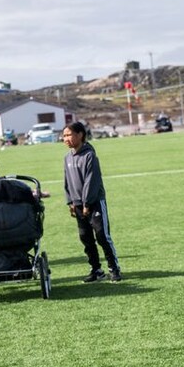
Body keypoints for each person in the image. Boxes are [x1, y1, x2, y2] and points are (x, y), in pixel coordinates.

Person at [62, 121, 122, 282]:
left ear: (80, 135)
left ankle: (114, 268)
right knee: (86, 238)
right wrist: (70, 202)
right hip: (78, 205)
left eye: (68, 135)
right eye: (64, 136)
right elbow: (67, 182)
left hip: (94, 202)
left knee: (102, 236)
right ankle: (96, 270)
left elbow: (91, 181)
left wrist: (87, 203)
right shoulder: (67, 158)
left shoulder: (89, 155)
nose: (65, 139)